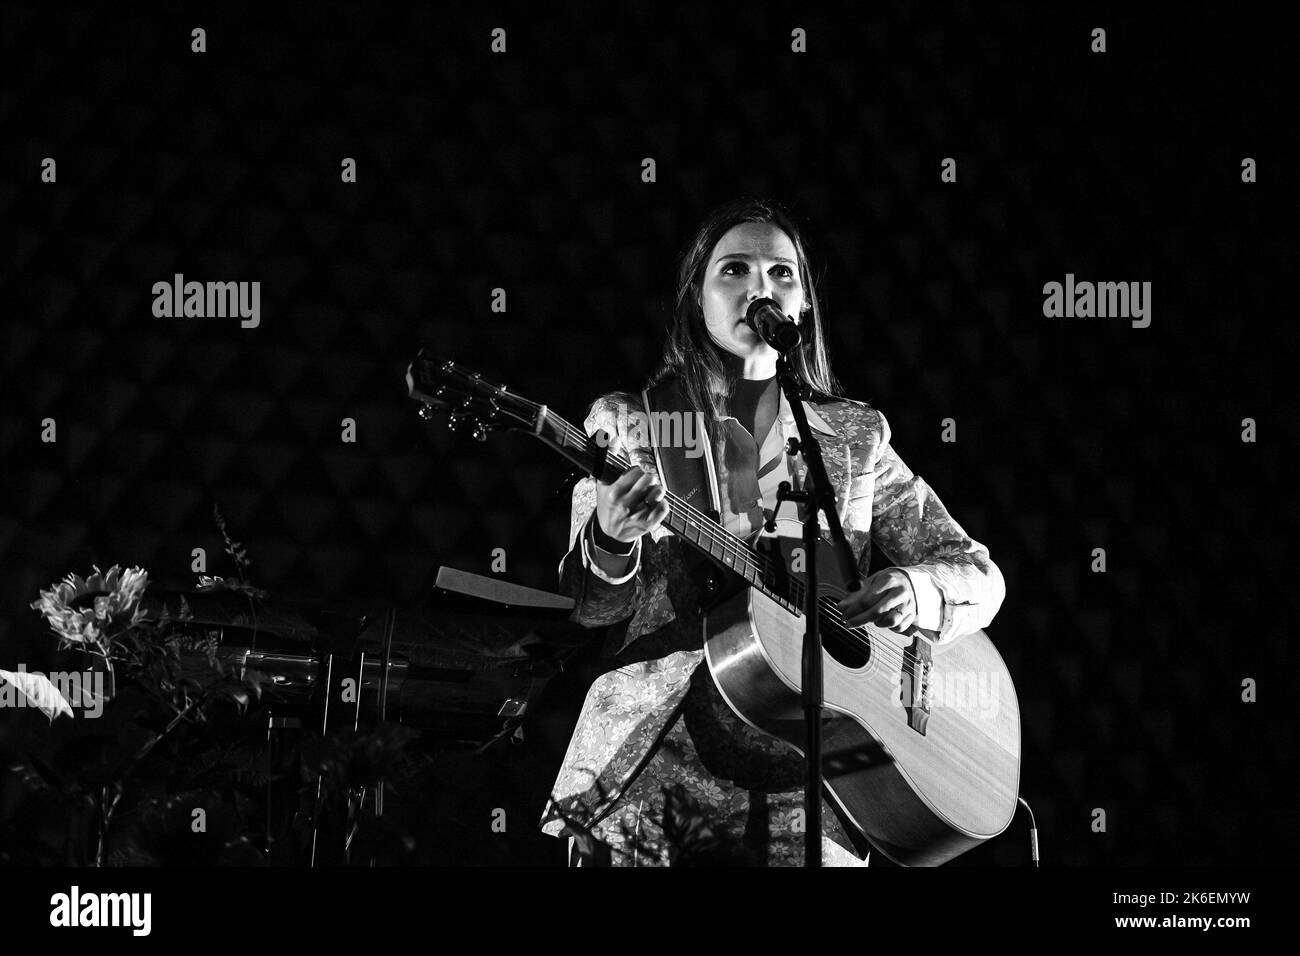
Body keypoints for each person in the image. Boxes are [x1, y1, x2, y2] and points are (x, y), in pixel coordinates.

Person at [538, 197, 1006, 866]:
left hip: (821, 775)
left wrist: (916, 589)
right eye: (734, 270)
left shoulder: (855, 435)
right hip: (656, 763)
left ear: (804, 304)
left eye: (782, 273)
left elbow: (977, 572)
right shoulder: (635, 423)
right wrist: (612, 538)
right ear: (696, 299)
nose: (760, 287)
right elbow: (591, 608)